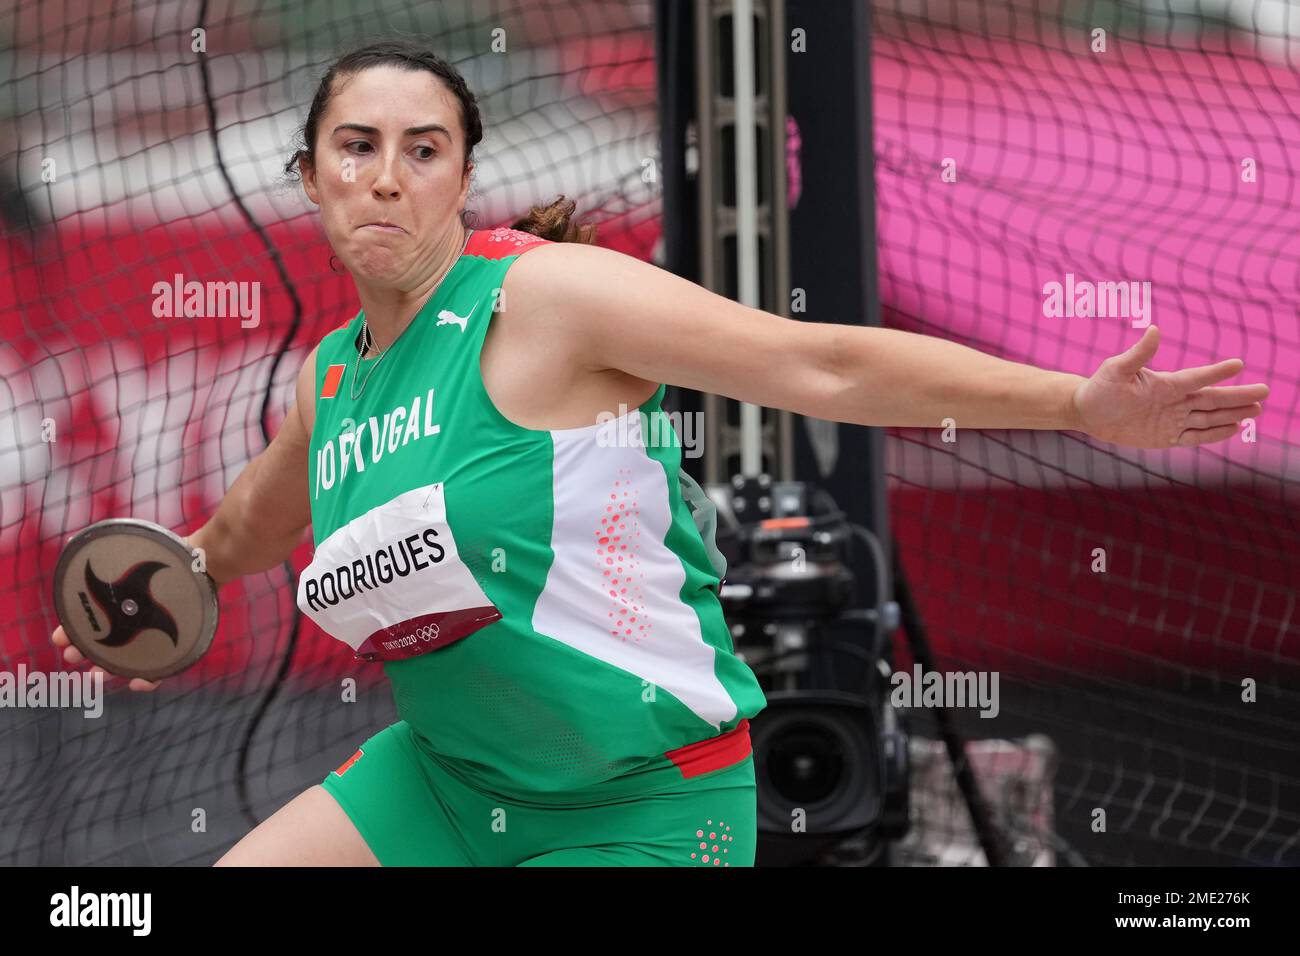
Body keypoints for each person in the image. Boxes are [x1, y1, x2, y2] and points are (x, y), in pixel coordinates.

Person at [51, 39, 1268, 867]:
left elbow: (820, 367)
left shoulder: (548, 298)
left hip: (637, 800)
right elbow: (252, 528)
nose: (386, 178)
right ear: (309, 177)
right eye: (355, 147)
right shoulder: (334, 381)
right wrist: (168, 587)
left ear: (465, 176)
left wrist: (1077, 404)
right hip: (441, 780)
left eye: (423, 149)